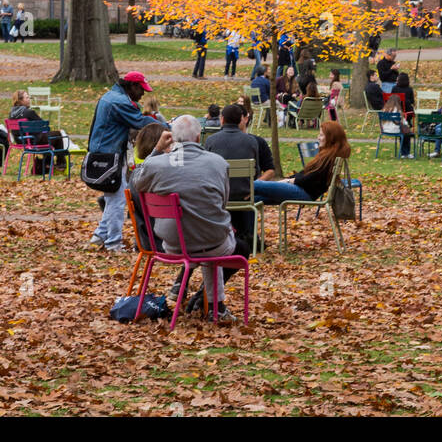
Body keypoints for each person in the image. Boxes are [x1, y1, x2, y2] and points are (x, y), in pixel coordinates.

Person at [130, 114, 250, 322]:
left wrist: (156, 151)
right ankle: (216, 307)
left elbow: (135, 182)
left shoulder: (158, 165)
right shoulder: (218, 163)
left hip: (173, 244)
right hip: (212, 241)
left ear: (172, 139)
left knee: (203, 239)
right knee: (217, 242)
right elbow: (223, 202)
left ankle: (195, 293)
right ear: (198, 138)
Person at [87, 71, 154, 253]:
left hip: (105, 153)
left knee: (113, 198)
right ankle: (113, 244)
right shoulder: (121, 102)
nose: (142, 95)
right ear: (132, 86)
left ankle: (99, 237)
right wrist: (165, 125)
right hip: (109, 155)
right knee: (117, 200)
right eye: (141, 90)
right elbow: (139, 122)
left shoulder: (112, 96)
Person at [206, 102, 275, 243]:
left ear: (222, 120)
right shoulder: (251, 141)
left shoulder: (211, 141)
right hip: (245, 194)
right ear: (241, 120)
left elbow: (207, 170)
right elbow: (255, 171)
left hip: (220, 195)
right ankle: (247, 236)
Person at [254, 120, 350, 204]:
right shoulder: (327, 155)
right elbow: (305, 173)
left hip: (304, 192)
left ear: (330, 137)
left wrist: (288, 181)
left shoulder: (329, 158)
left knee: (256, 184)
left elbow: (309, 178)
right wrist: (288, 179)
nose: (318, 137)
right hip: (302, 190)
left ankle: (240, 187)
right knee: (254, 199)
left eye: (321, 135)